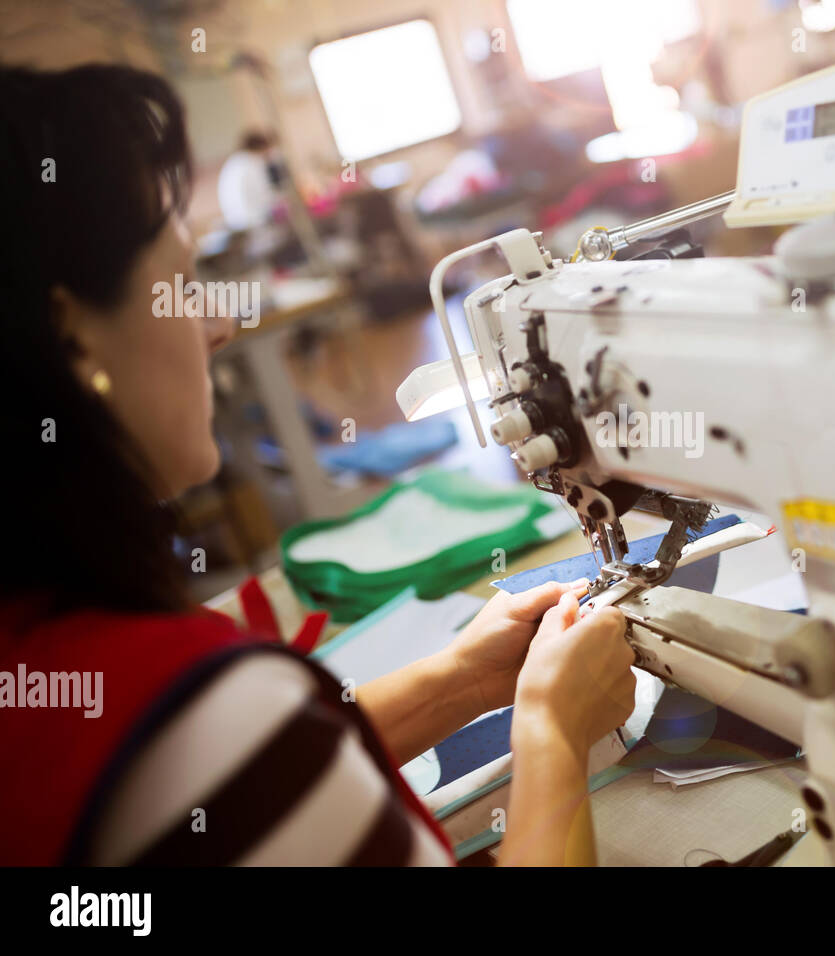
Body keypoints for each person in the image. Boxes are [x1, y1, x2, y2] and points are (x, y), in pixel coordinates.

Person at [0, 63, 635, 866]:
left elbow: (246, 784)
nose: (217, 327)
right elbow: (229, 750)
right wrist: (552, 730)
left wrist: (466, 680)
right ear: (73, 338)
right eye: (182, 283)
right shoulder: (183, 705)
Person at [216, 129, 279, 231]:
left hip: (235, 222)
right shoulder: (253, 163)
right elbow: (266, 197)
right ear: (263, 147)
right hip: (253, 223)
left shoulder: (235, 161)